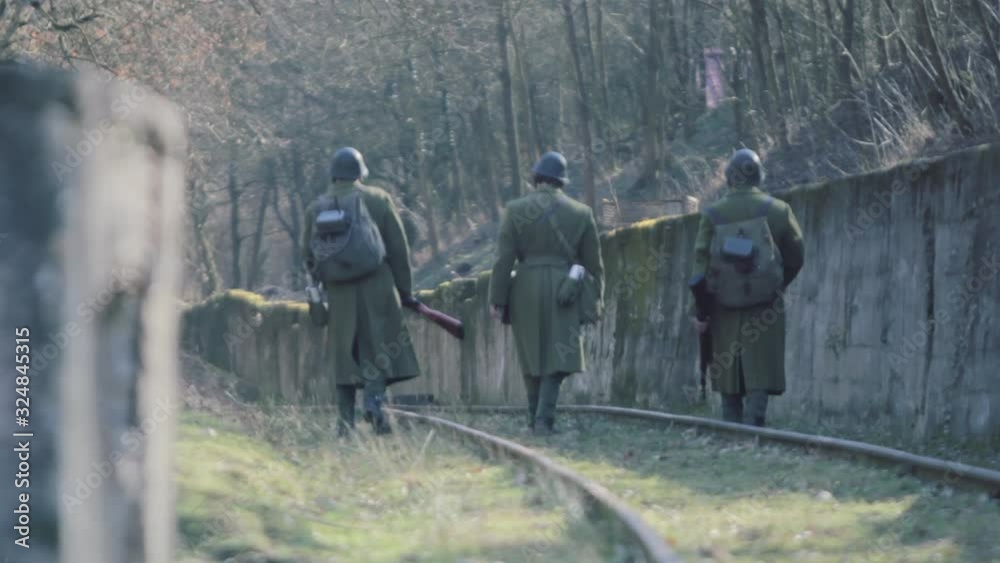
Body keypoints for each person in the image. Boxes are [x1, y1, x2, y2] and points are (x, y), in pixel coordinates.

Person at [302, 147, 421, 436]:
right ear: (360, 173)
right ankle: (375, 405)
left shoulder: (316, 209)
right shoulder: (378, 199)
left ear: (333, 174)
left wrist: (321, 289)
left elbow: (308, 257)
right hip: (377, 285)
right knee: (377, 348)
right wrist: (405, 291)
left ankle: (344, 423)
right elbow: (398, 249)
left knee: (344, 353)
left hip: (339, 293)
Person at [488, 152, 605, 435]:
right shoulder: (580, 213)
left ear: (536, 178)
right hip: (564, 289)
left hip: (524, 289)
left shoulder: (515, 210)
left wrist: (497, 299)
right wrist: (597, 298)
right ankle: (544, 420)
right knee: (559, 357)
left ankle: (534, 419)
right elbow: (594, 264)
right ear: (562, 181)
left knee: (531, 355)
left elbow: (503, 260)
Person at [689, 148, 805, 427]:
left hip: (721, 306)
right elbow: (796, 257)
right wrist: (775, 284)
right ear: (759, 177)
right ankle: (756, 427)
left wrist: (698, 311)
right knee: (761, 365)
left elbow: (700, 267)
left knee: (728, 366)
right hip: (766, 307)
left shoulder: (712, 215)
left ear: (729, 178)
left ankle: (731, 425)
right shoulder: (778, 211)